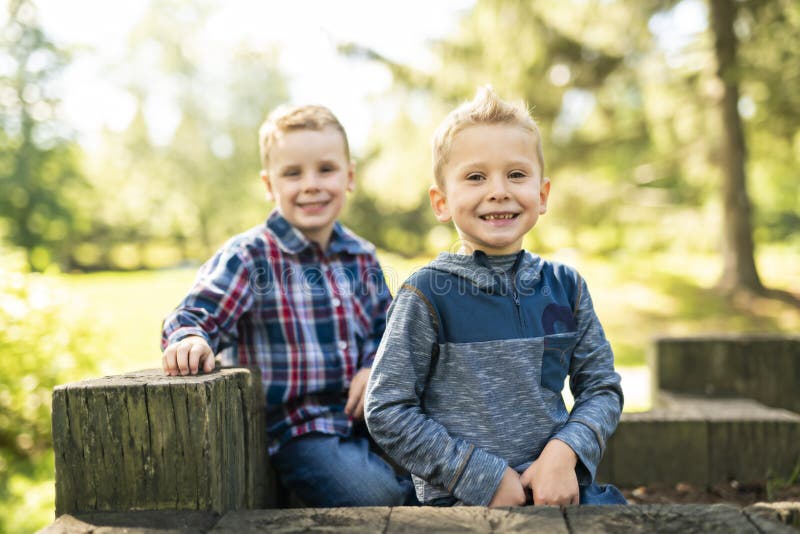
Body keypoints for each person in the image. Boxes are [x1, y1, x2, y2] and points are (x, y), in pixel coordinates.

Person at [364, 86, 627, 507]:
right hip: (462, 501)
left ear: (542, 195)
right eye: (475, 177)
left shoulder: (566, 287)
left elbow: (602, 388)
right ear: (442, 201)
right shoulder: (428, 293)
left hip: (557, 491)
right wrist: (479, 476)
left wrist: (565, 454)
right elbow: (386, 408)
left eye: (517, 175)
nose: (499, 190)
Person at [161, 104, 415, 507]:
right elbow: (195, 313)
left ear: (349, 177)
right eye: (293, 173)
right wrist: (191, 337)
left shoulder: (360, 256)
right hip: (299, 432)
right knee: (376, 495)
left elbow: (384, 329)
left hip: (370, 420)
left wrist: (372, 367)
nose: (311, 185)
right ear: (269, 184)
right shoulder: (251, 257)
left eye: (326, 170)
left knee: (439, 463)